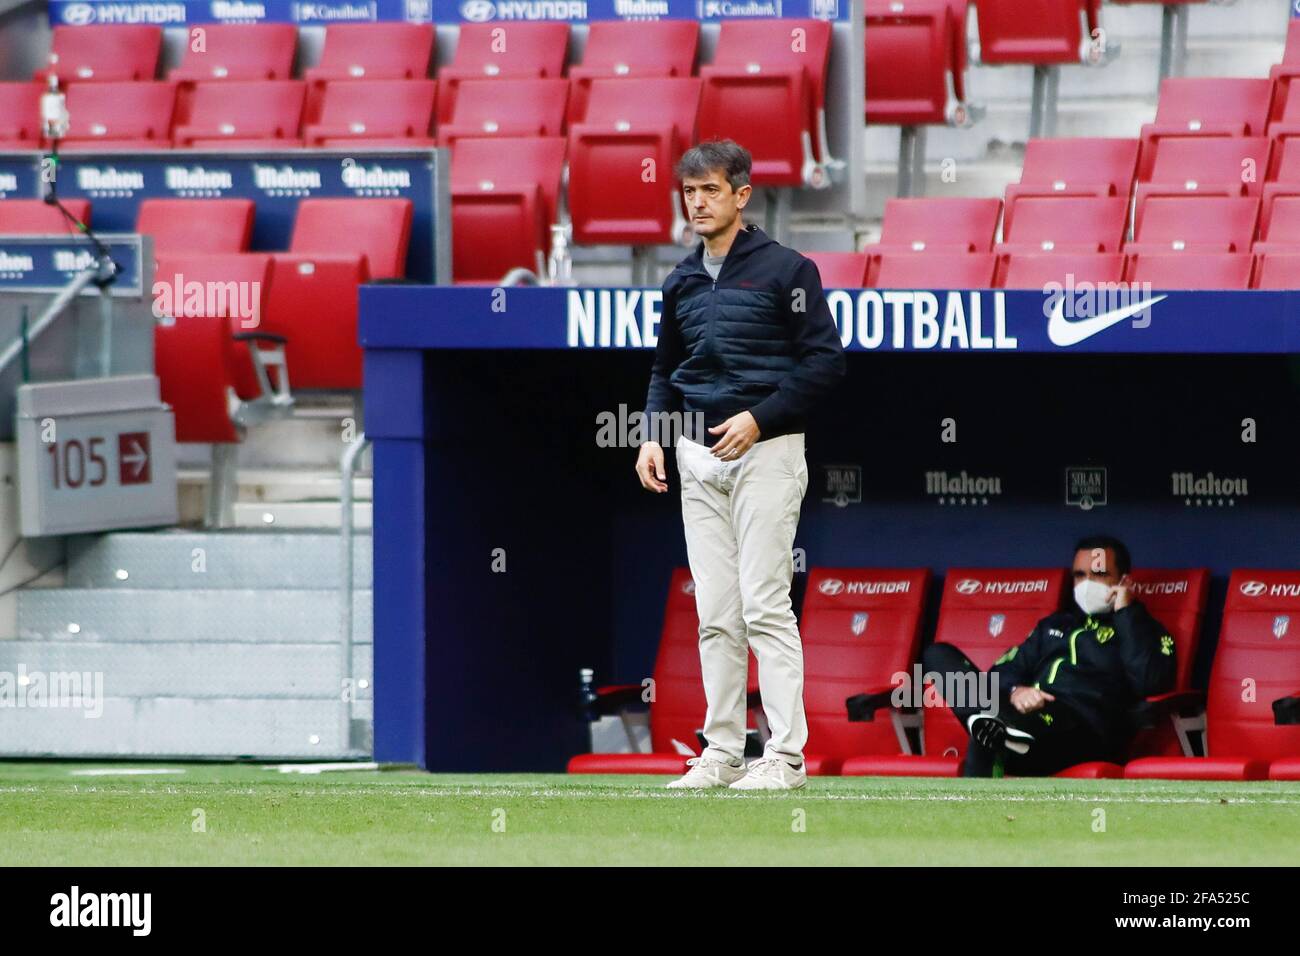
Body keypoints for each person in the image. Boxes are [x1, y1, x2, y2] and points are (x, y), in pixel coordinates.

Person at [634, 139, 845, 790]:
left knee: (764, 606)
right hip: (695, 457)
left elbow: (826, 362)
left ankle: (784, 758)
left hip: (767, 452)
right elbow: (667, 368)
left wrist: (760, 417)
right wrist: (650, 434)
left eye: (711, 190)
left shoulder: (789, 270)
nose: (698, 202)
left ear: (742, 195)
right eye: (689, 191)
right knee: (715, 614)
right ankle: (721, 752)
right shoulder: (680, 279)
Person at [922, 535, 1178, 777]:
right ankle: (1001, 731)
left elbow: (1150, 681)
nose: (1087, 583)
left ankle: (999, 732)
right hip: (1024, 715)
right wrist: (1016, 691)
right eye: (1080, 575)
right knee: (938, 656)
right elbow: (1002, 672)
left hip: (1082, 731)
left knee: (987, 729)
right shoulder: (1055, 625)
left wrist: (1126, 612)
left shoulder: (1142, 630)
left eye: (1098, 574)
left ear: (1123, 581)